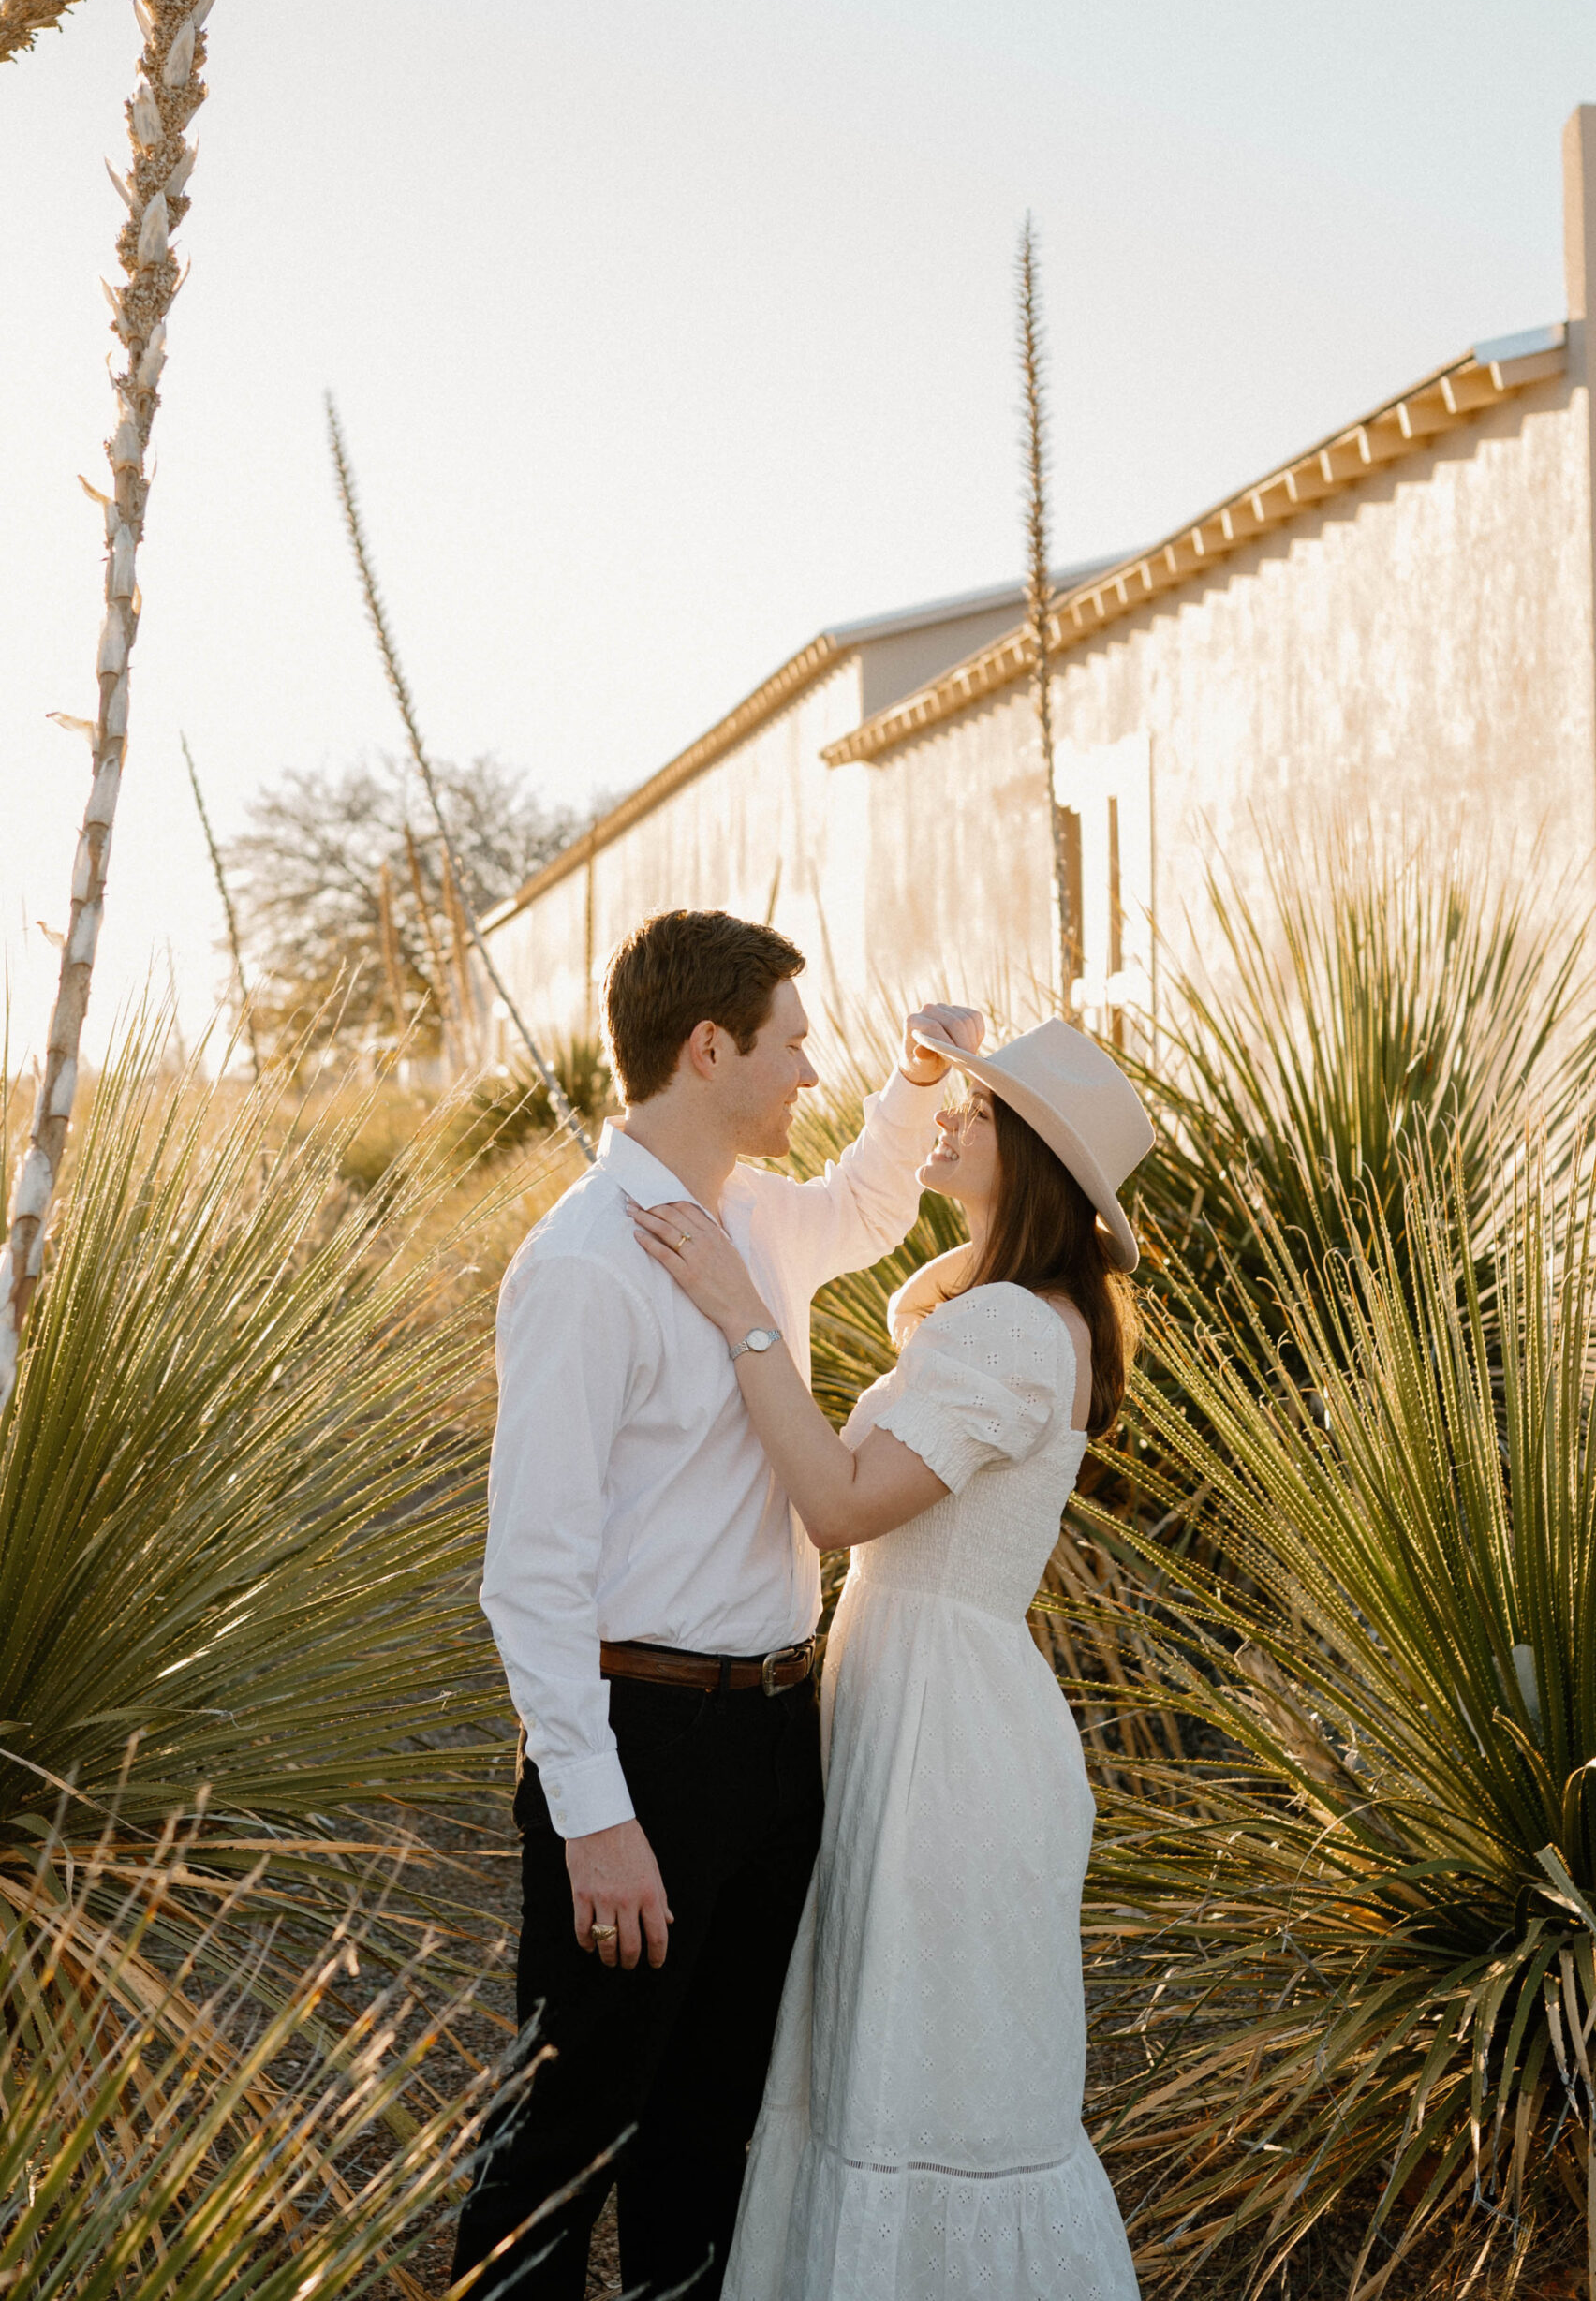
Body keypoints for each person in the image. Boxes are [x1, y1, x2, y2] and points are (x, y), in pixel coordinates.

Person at [451, 906, 984, 2298]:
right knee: (565, 2134)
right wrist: (597, 1815)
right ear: (709, 1048)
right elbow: (533, 1578)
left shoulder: (752, 1217)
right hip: (643, 1748)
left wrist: (916, 1084)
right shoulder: (580, 1267)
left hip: (770, 1737)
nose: (812, 1074)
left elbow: (869, 1207)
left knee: (710, 2128)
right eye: (795, 1045)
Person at [628, 1014, 1152, 2299]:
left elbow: (843, 1507)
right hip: (922, 1696)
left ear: (1027, 1155)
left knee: (926, 2081)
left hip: (942, 1736)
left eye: (978, 1111)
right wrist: (916, 1091)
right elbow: (920, 1320)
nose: (955, 1122)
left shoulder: (1016, 1332)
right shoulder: (1018, 1313)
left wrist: (743, 1312)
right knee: (880, 2061)